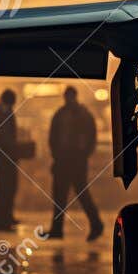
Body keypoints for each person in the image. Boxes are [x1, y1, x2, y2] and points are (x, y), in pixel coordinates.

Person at [48, 86, 104, 241]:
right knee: (79, 194)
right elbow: (91, 137)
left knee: (62, 195)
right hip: (74, 160)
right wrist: (84, 154)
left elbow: (53, 137)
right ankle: (95, 224)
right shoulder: (83, 114)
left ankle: (58, 229)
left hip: (68, 160)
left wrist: (56, 155)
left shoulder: (61, 114)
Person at [0, 89, 20, 231]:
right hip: (3, 157)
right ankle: (2, 220)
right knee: (5, 188)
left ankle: (6, 217)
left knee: (9, 187)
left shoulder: (2, 113)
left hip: (7, 156)